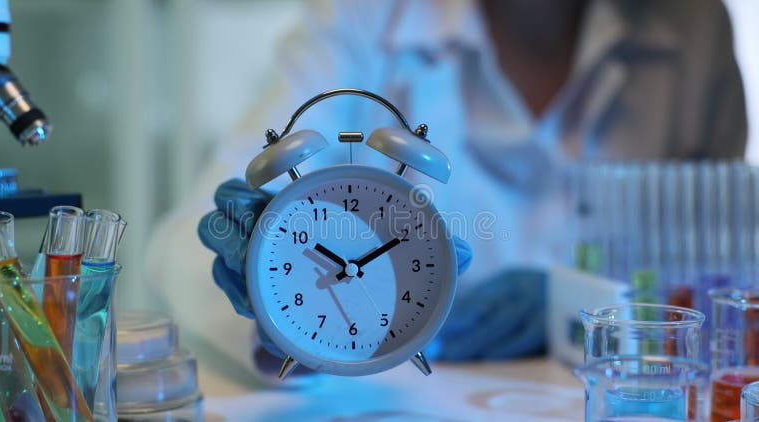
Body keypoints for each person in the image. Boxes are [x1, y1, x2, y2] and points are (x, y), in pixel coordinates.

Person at [147, 0, 747, 388]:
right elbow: (182, 242)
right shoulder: (364, 17)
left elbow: (730, 278)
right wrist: (276, 314)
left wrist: (583, 310)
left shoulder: (694, 27)